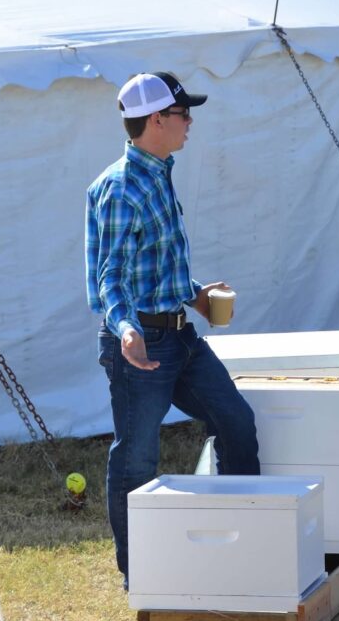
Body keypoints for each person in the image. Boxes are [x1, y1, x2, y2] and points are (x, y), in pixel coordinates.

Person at [86, 71, 260, 588]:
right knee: (136, 458)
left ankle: (243, 545)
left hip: (179, 336)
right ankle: (138, 574)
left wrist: (198, 293)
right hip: (142, 344)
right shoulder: (119, 187)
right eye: (184, 114)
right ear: (157, 120)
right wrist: (125, 328)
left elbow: (157, 266)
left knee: (237, 423)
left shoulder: (159, 171)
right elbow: (108, 277)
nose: (190, 123)